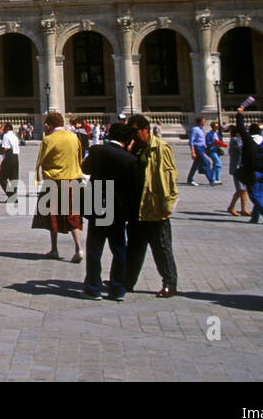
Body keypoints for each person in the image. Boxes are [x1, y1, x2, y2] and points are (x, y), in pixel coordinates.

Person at [82, 123, 141, 300]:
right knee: (119, 249)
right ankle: (117, 289)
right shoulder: (130, 159)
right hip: (119, 209)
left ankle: (93, 289)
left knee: (94, 249)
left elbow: (85, 170)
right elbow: (135, 189)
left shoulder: (97, 151)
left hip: (99, 206)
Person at [124, 113, 179, 297]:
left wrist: (167, 204)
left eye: (135, 132)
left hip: (155, 206)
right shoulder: (135, 148)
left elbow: (169, 178)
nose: (133, 135)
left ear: (145, 130)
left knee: (161, 247)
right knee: (134, 247)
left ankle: (169, 283)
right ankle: (127, 281)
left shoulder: (160, 148)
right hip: (137, 207)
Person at [32, 112, 84, 261]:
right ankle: (79, 248)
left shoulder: (48, 140)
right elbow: (79, 157)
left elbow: (41, 161)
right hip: (73, 180)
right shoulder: (74, 138)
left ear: (48, 125)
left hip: (54, 181)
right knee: (73, 215)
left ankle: (54, 249)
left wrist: (38, 178)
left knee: (52, 217)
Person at [235, 114, 263, 225]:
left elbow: (241, 129)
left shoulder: (249, 141)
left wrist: (239, 115)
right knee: (260, 196)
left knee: (253, 195)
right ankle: (255, 218)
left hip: (252, 172)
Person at [225, 121, 251, 217]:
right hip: (237, 168)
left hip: (241, 167)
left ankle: (240, 208)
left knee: (243, 189)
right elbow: (243, 149)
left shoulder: (238, 139)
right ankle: (236, 208)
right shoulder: (236, 140)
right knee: (241, 189)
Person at [185, 117, 214, 186]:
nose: (205, 122)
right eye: (204, 120)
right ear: (200, 121)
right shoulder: (195, 129)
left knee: (195, 165)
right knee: (206, 163)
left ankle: (190, 179)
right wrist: (193, 151)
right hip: (197, 148)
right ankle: (211, 180)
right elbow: (191, 141)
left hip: (202, 148)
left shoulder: (201, 129)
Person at [0, 122, 22, 199]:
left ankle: (11, 196)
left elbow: (5, 148)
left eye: (3, 128)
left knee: (2, 178)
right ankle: (14, 195)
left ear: (7, 128)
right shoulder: (15, 136)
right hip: (16, 157)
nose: (1, 129)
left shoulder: (6, 135)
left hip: (9, 157)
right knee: (14, 178)